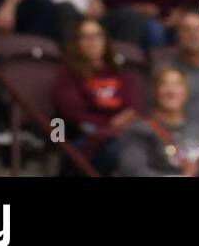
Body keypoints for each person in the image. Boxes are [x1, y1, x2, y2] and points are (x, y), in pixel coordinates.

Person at [52, 18, 143, 175]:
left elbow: (134, 106)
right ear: (76, 43)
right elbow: (73, 113)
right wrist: (110, 125)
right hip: (87, 138)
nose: (92, 42)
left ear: (105, 40)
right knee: (119, 152)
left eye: (97, 36)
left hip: (121, 134)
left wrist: (124, 120)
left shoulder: (120, 74)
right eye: (85, 37)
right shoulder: (68, 75)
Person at [116, 67, 199, 176]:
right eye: (164, 84)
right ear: (156, 92)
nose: (171, 91)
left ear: (186, 93)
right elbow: (133, 171)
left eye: (177, 84)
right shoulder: (140, 130)